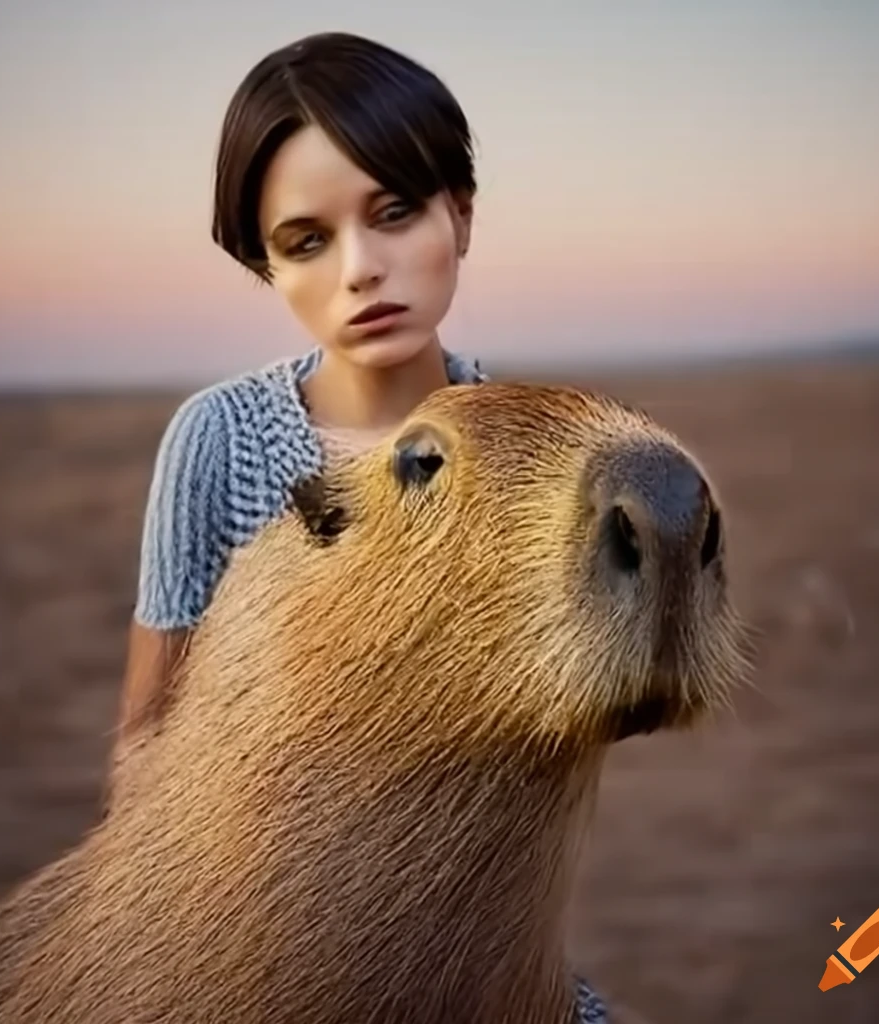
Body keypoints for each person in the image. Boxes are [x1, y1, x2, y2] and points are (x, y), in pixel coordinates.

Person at [109, 31, 609, 1023]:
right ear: (265, 266)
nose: (362, 270)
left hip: (473, 947)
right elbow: (147, 739)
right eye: (306, 241)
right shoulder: (219, 441)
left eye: (395, 212)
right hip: (249, 950)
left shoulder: (535, 461)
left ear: (460, 214)